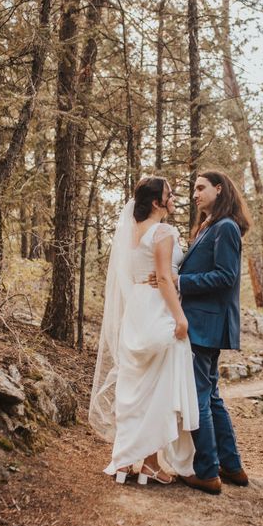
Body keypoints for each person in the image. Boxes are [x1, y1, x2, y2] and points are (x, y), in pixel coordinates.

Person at [89, 177, 199, 485]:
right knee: (160, 390)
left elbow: (144, 274)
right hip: (158, 309)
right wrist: (180, 319)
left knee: (135, 387)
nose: (174, 197)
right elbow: (164, 279)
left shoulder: (130, 232)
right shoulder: (163, 231)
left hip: (136, 309)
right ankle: (149, 463)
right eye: (169, 194)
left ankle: (126, 461)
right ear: (156, 202)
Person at [155, 170, 251, 495]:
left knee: (199, 396)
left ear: (219, 189)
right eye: (194, 189)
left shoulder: (225, 227)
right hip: (203, 321)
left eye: (200, 188)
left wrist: (180, 282)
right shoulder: (209, 227)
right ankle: (232, 466)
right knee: (211, 395)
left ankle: (207, 471)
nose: (195, 194)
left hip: (205, 323)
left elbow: (225, 276)